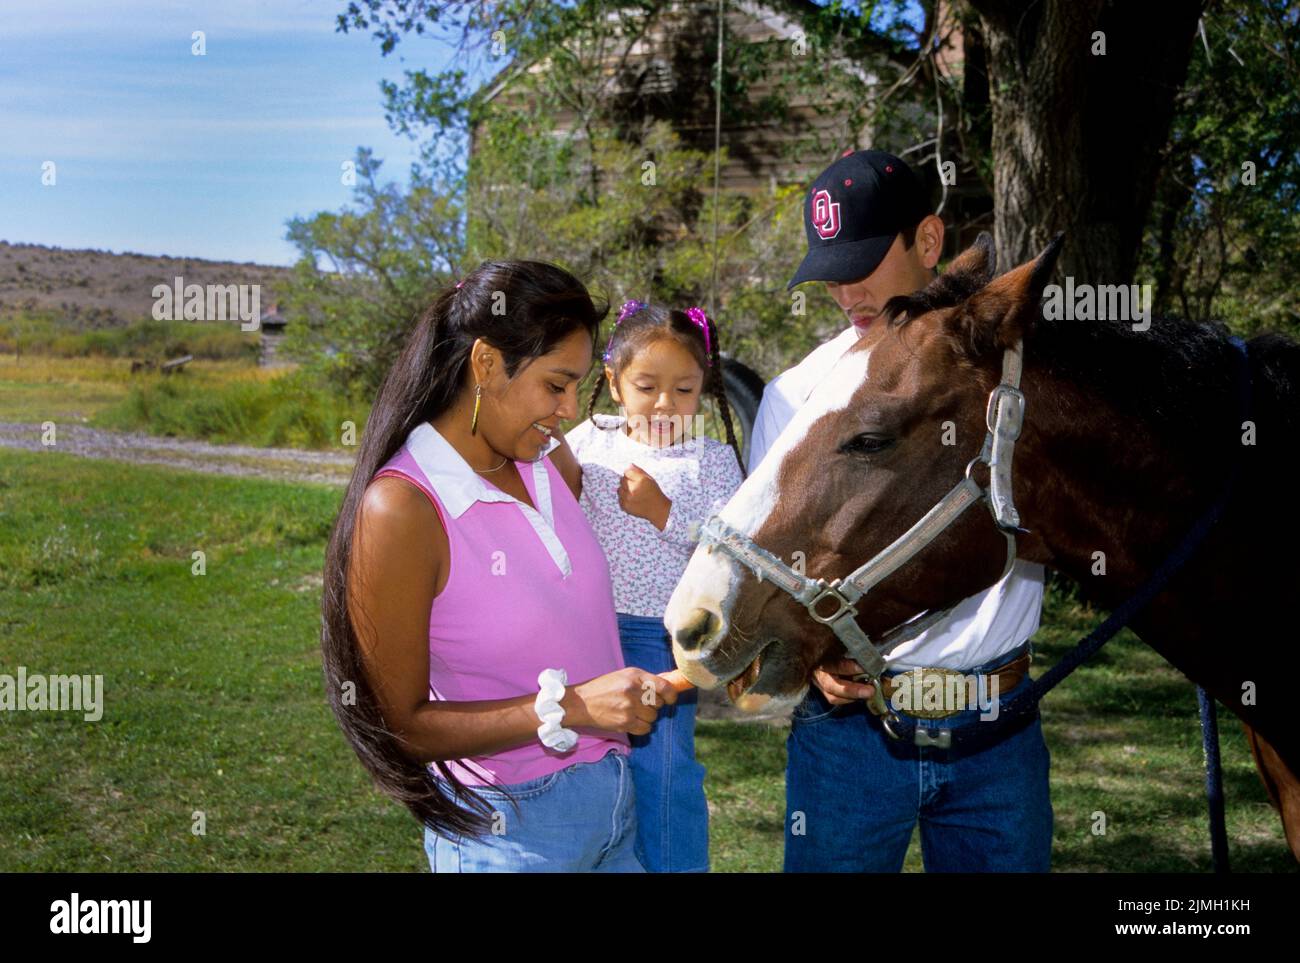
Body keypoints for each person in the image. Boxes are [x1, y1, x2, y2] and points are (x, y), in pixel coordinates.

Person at [320, 260, 681, 872]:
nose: (568, 410)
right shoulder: (403, 509)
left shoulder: (545, 459)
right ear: (486, 364)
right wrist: (569, 708)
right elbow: (401, 726)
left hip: (614, 808)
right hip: (506, 831)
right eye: (556, 384)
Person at [752, 150, 1053, 872]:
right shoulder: (793, 397)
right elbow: (773, 574)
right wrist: (809, 661)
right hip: (849, 737)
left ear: (927, 241)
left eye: (861, 261)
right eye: (830, 268)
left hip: (997, 727)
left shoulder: (1011, 376)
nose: (845, 289)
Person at [565, 300, 746, 872]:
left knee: (662, 768)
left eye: (685, 390)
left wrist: (663, 511)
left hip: (659, 640)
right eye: (647, 386)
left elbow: (730, 556)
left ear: (704, 388)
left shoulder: (713, 462)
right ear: (615, 384)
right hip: (583, 632)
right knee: (585, 762)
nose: (666, 404)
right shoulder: (587, 443)